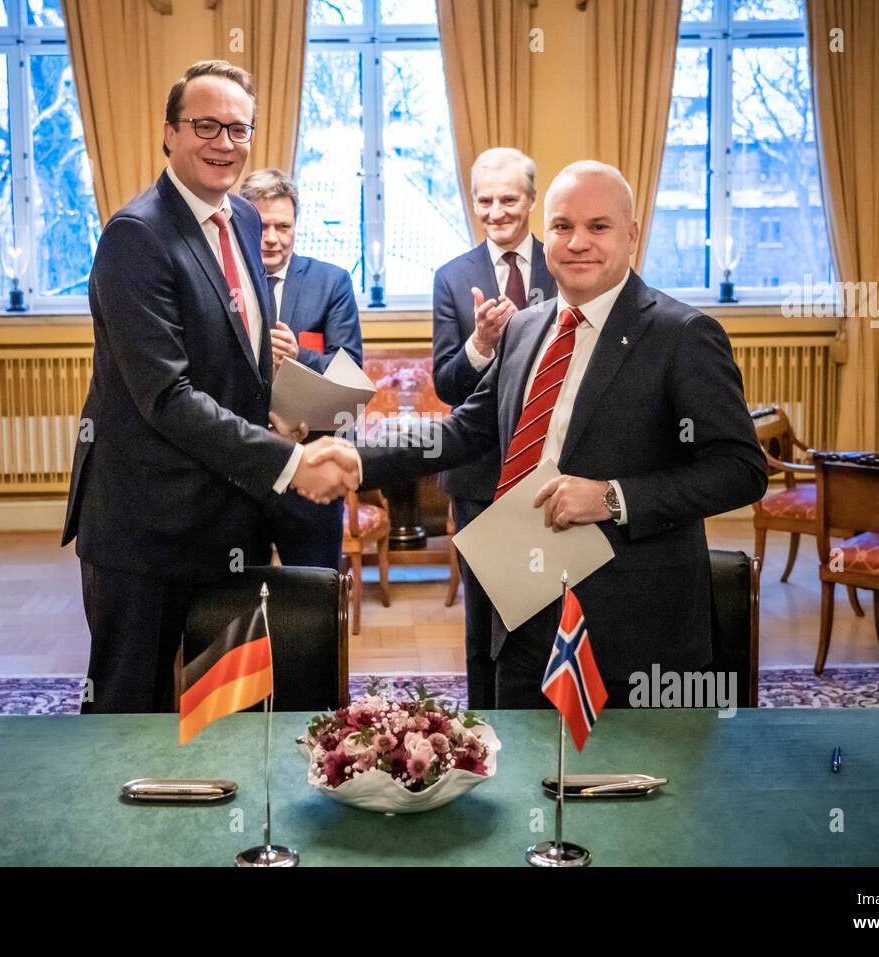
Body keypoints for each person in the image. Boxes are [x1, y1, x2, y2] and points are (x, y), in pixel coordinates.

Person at [311, 161, 768, 708]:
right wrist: (357, 459)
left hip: (628, 628)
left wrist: (613, 498)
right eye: (562, 227)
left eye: (598, 227)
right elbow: (466, 430)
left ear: (631, 235)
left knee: (629, 785)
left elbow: (740, 470)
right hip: (521, 608)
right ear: (544, 234)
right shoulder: (526, 328)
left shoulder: (682, 335)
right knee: (521, 773)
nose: (577, 243)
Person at [62, 60, 355, 714]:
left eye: (238, 128)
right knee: (128, 716)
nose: (224, 142)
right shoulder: (136, 236)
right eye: (205, 125)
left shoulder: (244, 220)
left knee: (226, 711)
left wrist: (287, 415)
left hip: (230, 518)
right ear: (169, 133)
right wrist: (288, 462)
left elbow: (237, 364)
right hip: (148, 526)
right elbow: (167, 396)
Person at [430, 147, 555, 710]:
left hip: (556, 471)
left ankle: (550, 728)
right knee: (485, 626)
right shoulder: (453, 278)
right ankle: (486, 729)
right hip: (481, 478)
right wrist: (480, 343)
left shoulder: (567, 263)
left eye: (509, 199)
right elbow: (448, 387)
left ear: (531, 199)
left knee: (549, 615)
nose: (497, 211)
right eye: (485, 200)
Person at [240, 168, 362, 570]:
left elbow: (350, 371)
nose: (272, 238)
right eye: (262, 226)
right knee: (239, 609)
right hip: (242, 471)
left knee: (315, 601)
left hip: (311, 470)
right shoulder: (221, 281)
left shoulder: (331, 282)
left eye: (283, 226)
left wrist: (300, 356)